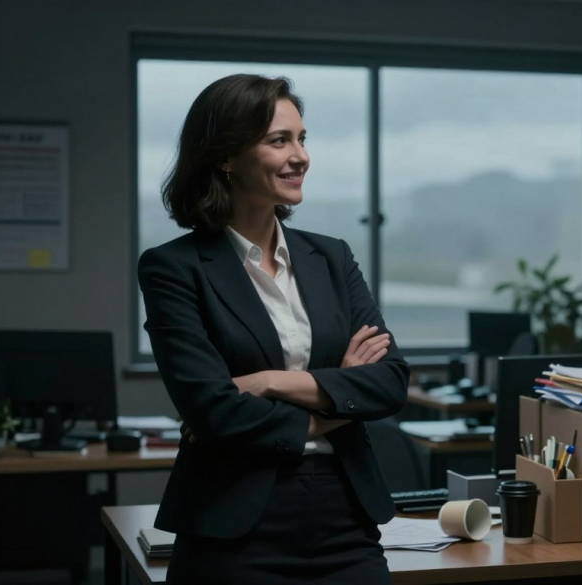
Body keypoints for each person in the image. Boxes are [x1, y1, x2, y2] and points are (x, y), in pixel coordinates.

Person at [138, 73, 409, 584]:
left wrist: (269, 383)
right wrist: (338, 400)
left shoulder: (331, 256)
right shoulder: (174, 269)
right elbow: (215, 412)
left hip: (345, 519)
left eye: (302, 139)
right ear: (225, 156)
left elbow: (390, 381)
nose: (300, 156)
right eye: (278, 140)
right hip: (233, 524)